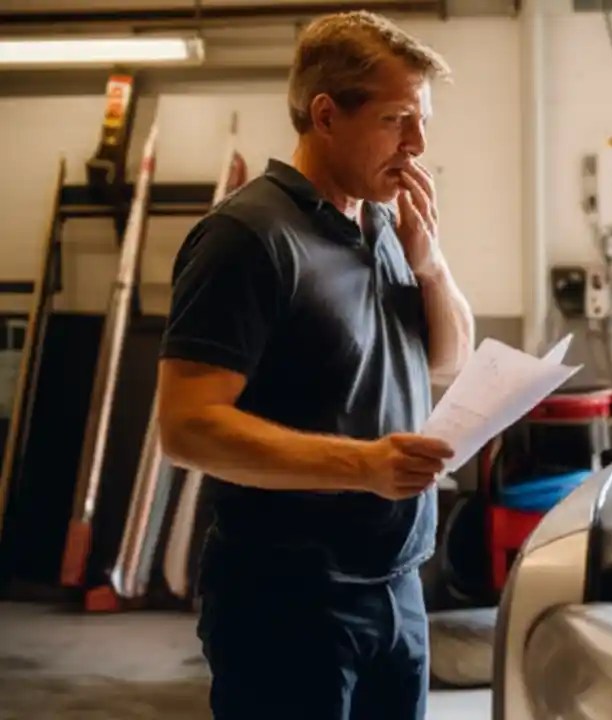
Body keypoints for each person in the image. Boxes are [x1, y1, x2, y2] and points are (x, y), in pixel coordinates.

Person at [155, 11, 475, 719]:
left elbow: (447, 359)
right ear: (326, 115)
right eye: (398, 120)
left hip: (396, 587)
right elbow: (186, 428)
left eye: (421, 121)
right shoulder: (246, 236)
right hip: (288, 602)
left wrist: (430, 264)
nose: (418, 145)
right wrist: (363, 466)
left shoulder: (383, 223)